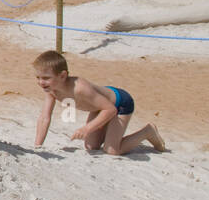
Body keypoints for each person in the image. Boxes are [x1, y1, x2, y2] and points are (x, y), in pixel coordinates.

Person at [33, 50, 164, 156]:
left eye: (46, 78)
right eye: (38, 78)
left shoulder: (80, 88)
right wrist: (38, 146)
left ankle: (147, 131)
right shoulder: (51, 90)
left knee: (112, 151)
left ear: (62, 76)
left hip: (120, 103)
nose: (40, 82)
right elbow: (44, 117)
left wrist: (87, 128)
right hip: (99, 107)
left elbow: (111, 110)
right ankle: (111, 134)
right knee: (91, 146)